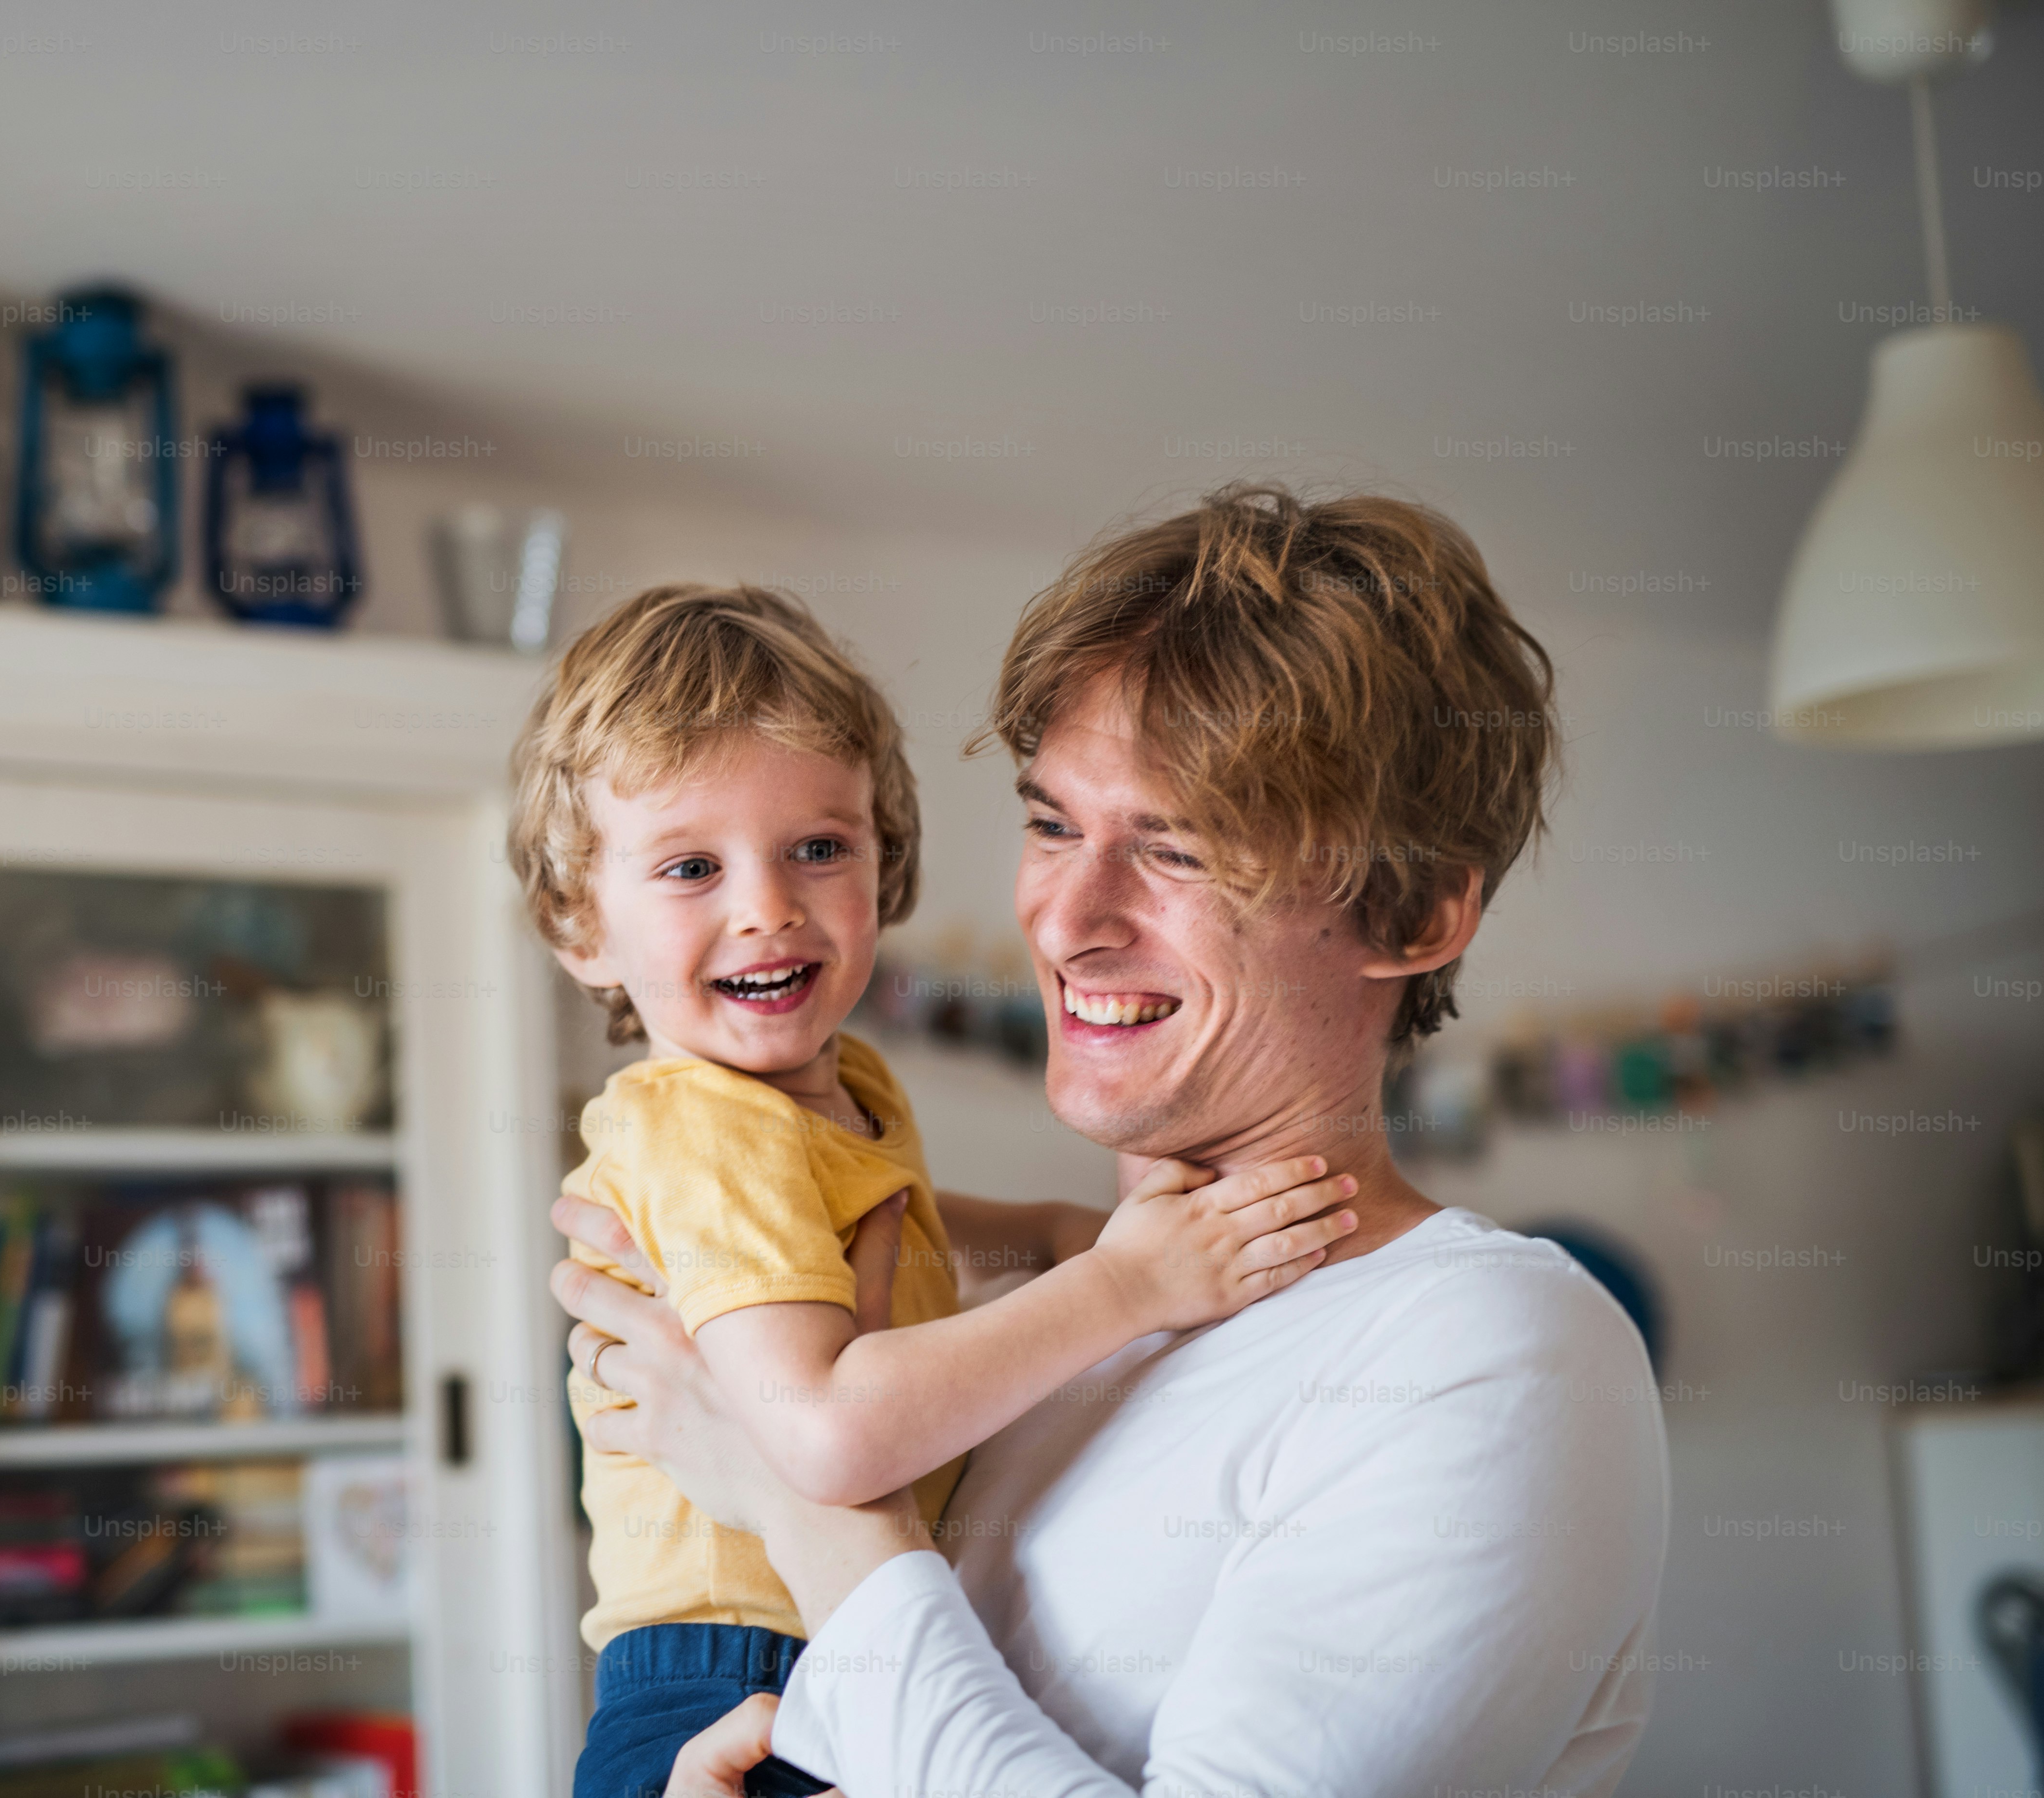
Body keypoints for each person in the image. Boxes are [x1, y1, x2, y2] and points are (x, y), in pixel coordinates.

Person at [552, 488, 1672, 1796]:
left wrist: (798, 1496)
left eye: (1176, 852)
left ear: (1414, 912)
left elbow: (836, 1524)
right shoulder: (1039, 1342)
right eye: (1052, 825)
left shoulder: (1487, 1350)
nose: (1069, 921)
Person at [508, 583, 1356, 1798]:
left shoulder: (833, 1087)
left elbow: (914, 1229)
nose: (767, 904)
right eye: (692, 865)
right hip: (724, 1684)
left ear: (884, 864)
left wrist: (1083, 1233)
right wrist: (1128, 1279)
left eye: (818, 847)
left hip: (815, 1638)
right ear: (581, 927)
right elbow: (831, 1434)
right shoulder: (702, 1126)